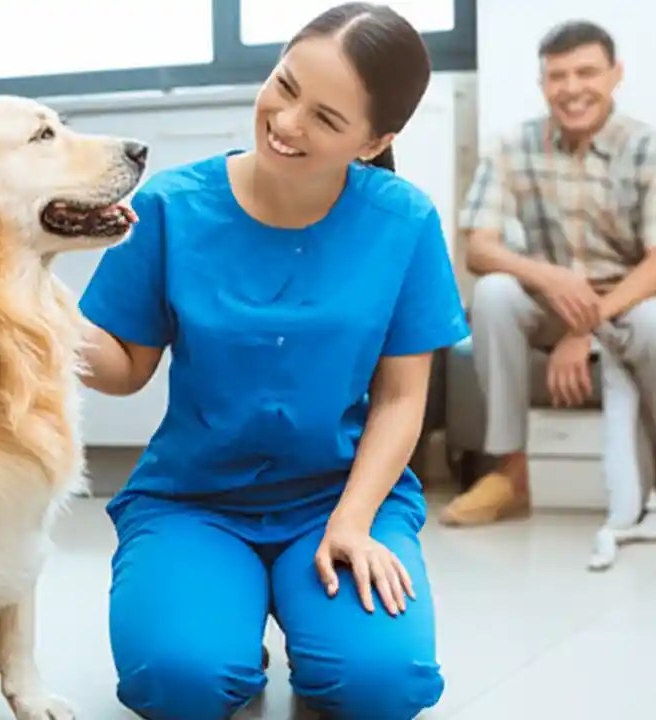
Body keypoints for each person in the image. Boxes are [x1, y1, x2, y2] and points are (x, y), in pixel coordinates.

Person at [76, 4, 468, 718]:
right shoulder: (172, 205)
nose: (286, 124)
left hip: (340, 497)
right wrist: (21, 314)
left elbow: (401, 399)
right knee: (177, 681)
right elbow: (126, 364)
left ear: (374, 139)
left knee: (383, 683)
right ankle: (221, 618)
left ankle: (302, 614)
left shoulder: (403, 221)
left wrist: (352, 522)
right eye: (284, 86)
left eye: (325, 118)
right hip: (194, 501)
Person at [442, 19, 656, 527]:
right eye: (558, 76)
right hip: (551, 301)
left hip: (630, 301)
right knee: (494, 293)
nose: (572, 89)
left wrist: (585, 326)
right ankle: (509, 472)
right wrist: (550, 278)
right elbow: (480, 248)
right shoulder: (511, 147)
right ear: (543, 85)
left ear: (615, 75)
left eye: (586, 73)